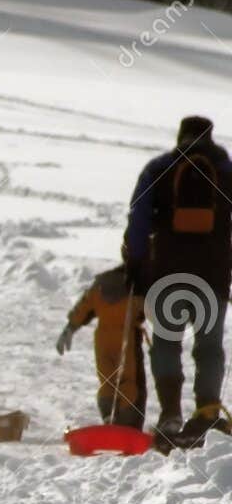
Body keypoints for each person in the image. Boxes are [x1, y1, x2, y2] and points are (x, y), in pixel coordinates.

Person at [123, 115, 232, 434]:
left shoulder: (158, 169)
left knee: (167, 342)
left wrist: (135, 269)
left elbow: (138, 223)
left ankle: (170, 414)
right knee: (210, 347)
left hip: (166, 273)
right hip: (213, 275)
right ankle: (208, 413)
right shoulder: (226, 173)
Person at [56, 265, 146, 429]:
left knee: (108, 382)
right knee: (129, 382)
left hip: (103, 339)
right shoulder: (136, 284)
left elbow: (83, 307)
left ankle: (108, 416)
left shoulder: (101, 284)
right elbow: (150, 309)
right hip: (127, 338)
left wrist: (70, 328)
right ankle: (128, 423)